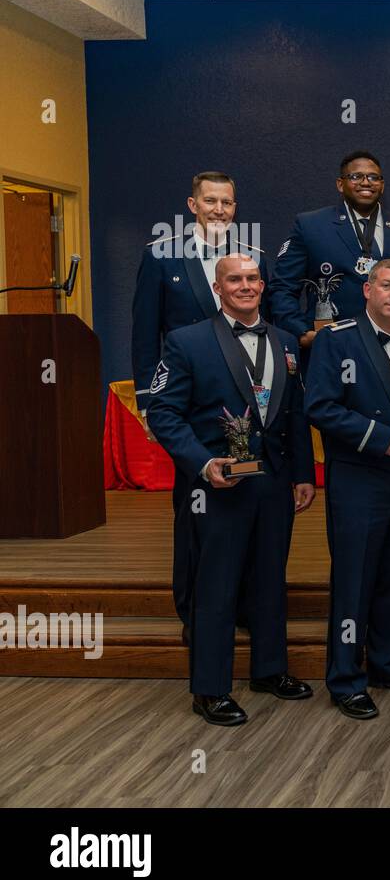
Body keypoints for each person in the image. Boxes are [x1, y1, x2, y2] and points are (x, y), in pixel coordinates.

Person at [146, 254, 315, 726]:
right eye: (234, 279)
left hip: (274, 483)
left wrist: (303, 474)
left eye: (253, 278)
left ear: (263, 285)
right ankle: (210, 689)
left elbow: (294, 415)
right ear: (218, 288)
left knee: (268, 581)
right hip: (216, 486)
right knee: (215, 587)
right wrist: (202, 463)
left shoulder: (284, 341)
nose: (246, 286)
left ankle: (269, 670)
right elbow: (163, 414)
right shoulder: (185, 342)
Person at [131, 170, 262, 632]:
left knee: (245, 505)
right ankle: (193, 611)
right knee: (195, 509)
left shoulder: (250, 258)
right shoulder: (160, 255)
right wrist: (149, 402)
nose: (220, 210)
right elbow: (146, 333)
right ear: (192, 205)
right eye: (211, 201)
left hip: (243, 402)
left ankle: (241, 605)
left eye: (227, 202)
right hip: (188, 403)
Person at [305, 259, 390, 719]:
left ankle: (389, 665)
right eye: (386, 285)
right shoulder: (335, 339)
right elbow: (319, 406)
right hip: (358, 476)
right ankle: (345, 678)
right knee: (354, 581)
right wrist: (382, 440)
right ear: (367, 289)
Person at [268, 150, 390, 352]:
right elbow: (282, 287)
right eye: (355, 176)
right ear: (340, 184)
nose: (366, 182)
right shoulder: (311, 226)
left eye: (373, 177)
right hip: (332, 346)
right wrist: (301, 333)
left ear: (382, 185)